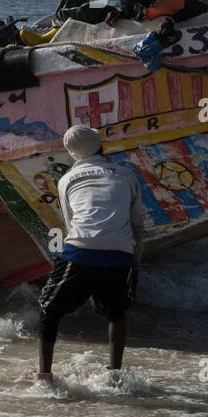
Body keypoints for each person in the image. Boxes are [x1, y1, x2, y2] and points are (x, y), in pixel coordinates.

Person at [36, 125, 143, 382]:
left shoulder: (66, 180)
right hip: (121, 254)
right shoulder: (127, 174)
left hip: (81, 251)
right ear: (100, 146)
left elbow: (71, 225)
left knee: (48, 309)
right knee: (116, 312)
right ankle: (115, 373)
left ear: (71, 154)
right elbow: (137, 224)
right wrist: (134, 262)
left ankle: (44, 375)